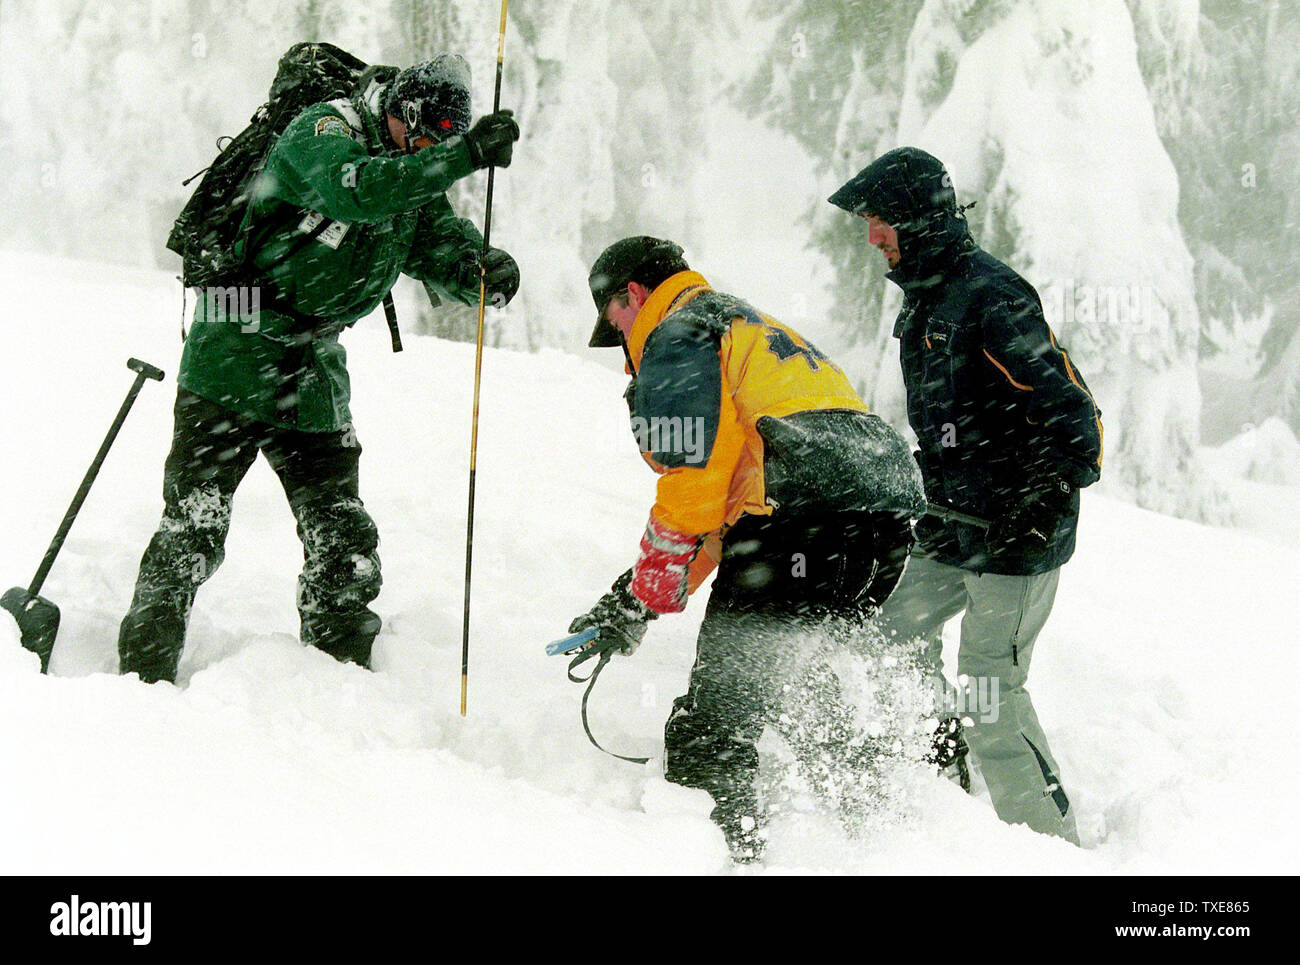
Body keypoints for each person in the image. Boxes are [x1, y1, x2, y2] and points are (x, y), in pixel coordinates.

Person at [118, 54, 521, 683]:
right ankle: (142, 675)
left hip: (313, 365)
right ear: (399, 112)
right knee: (196, 523)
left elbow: (434, 239)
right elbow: (354, 191)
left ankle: (342, 674)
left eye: (445, 139)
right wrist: (466, 154)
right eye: (427, 133)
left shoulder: (412, 169)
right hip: (237, 340)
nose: (431, 149)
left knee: (342, 532)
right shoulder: (322, 133)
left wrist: (479, 267)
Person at [568, 236, 925, 862]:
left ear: (634, 294)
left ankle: (716, 855)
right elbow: (731, 517)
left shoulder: (679, 333)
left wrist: (653, 583)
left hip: (802, 516)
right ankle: (879, 838)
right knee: (803, 682)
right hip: (878, 514)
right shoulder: (748, 326)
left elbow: (693, 481)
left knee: (720, 715)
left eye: (614, 318)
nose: (620, 342)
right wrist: (637, 601)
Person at [828, 146, 1104, 844]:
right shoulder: (926, 300)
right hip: (954, 525)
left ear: (917, 221)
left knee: (989, 692)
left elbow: (1077, 419)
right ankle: (937, 776)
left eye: (879, 221)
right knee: (887, 634)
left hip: (1017, 538)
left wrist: (1036, 507)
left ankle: (1050, 846)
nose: (871, 237)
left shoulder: (992, 296)